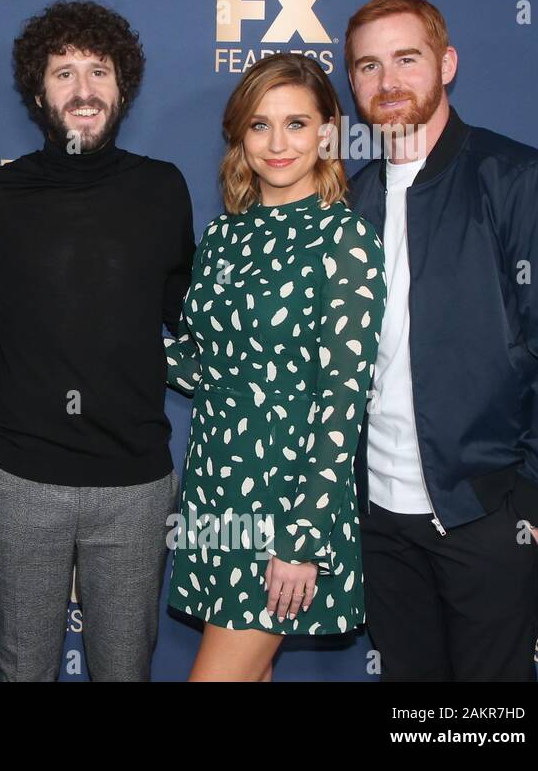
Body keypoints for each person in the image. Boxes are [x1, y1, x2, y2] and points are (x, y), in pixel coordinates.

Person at [0, 0, 191, 681]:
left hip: (137, 486)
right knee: (24, 672)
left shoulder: (162, 189)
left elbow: (192, 317)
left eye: (99, 71)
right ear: (38, 91)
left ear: (123, 88)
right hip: (21, 480)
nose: (84, 90)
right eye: (64, 73)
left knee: (126, 672)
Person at [344, 0, 538, 681]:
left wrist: (533, 507)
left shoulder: (522, 181)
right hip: (381, 521)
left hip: (488, 517)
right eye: (367, 66)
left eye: (406, 59)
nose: (387, 83)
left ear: (446, 64)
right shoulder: (352, 198)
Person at [163, 53, 386, 681]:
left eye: (296, 124)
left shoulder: (344, 240)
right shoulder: (225, 237)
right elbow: (208, 368)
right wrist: (111, 342)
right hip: (215, 490)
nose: (277, 143)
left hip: (289, 503)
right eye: (260, 125)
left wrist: (303, 539)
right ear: (240, 136)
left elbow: (342, 398)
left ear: (327, 132)